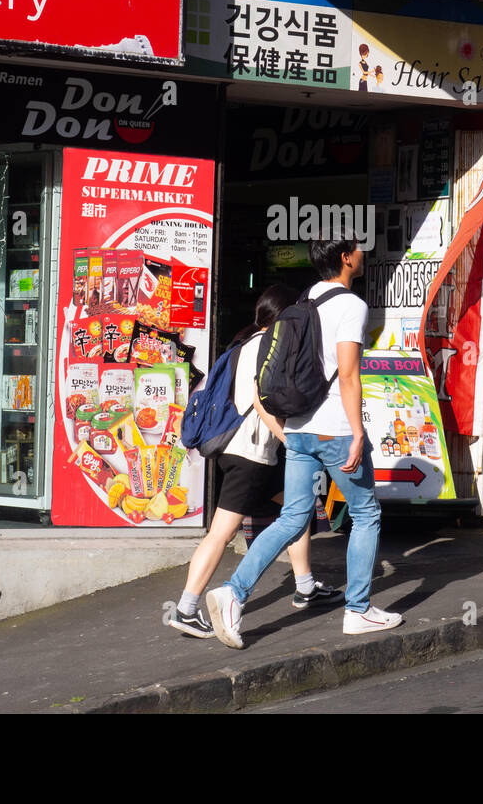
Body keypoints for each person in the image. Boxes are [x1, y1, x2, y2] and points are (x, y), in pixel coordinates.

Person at [205, 237, 402, 648]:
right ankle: (358, 609)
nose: (363, 254)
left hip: (297, 428)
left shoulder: (304, 301)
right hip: (334, 428)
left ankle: (233, 593)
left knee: (292, 518)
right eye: (358, 250)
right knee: (366, 514)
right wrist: (358, 432)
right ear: (346, 259)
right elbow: (348, 374)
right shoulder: (351, 305)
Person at [168, 284, 343, 638]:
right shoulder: (265, 347)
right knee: (220, 534)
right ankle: (186, 608)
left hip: (245, 454)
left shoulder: (241, 346)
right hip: (251, 456)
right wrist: (293, 441)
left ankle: (305, 585)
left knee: (298, 508)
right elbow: (262, 406)